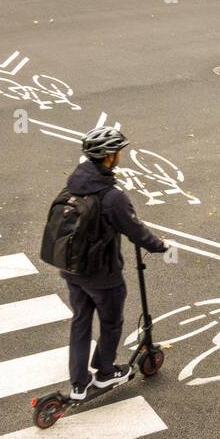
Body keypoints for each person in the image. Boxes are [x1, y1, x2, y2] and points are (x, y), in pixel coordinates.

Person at [58, 127, 167, 401]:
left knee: (81, 322)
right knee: (111, 322)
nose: (120, 155)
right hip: (102, 275)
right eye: (118, 151)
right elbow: (135, 231)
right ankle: (105, 372)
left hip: (72, 269)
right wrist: (159, 245)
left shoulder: (73, 184)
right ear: (108, 157)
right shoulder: (112, 197)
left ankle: (79, 383)